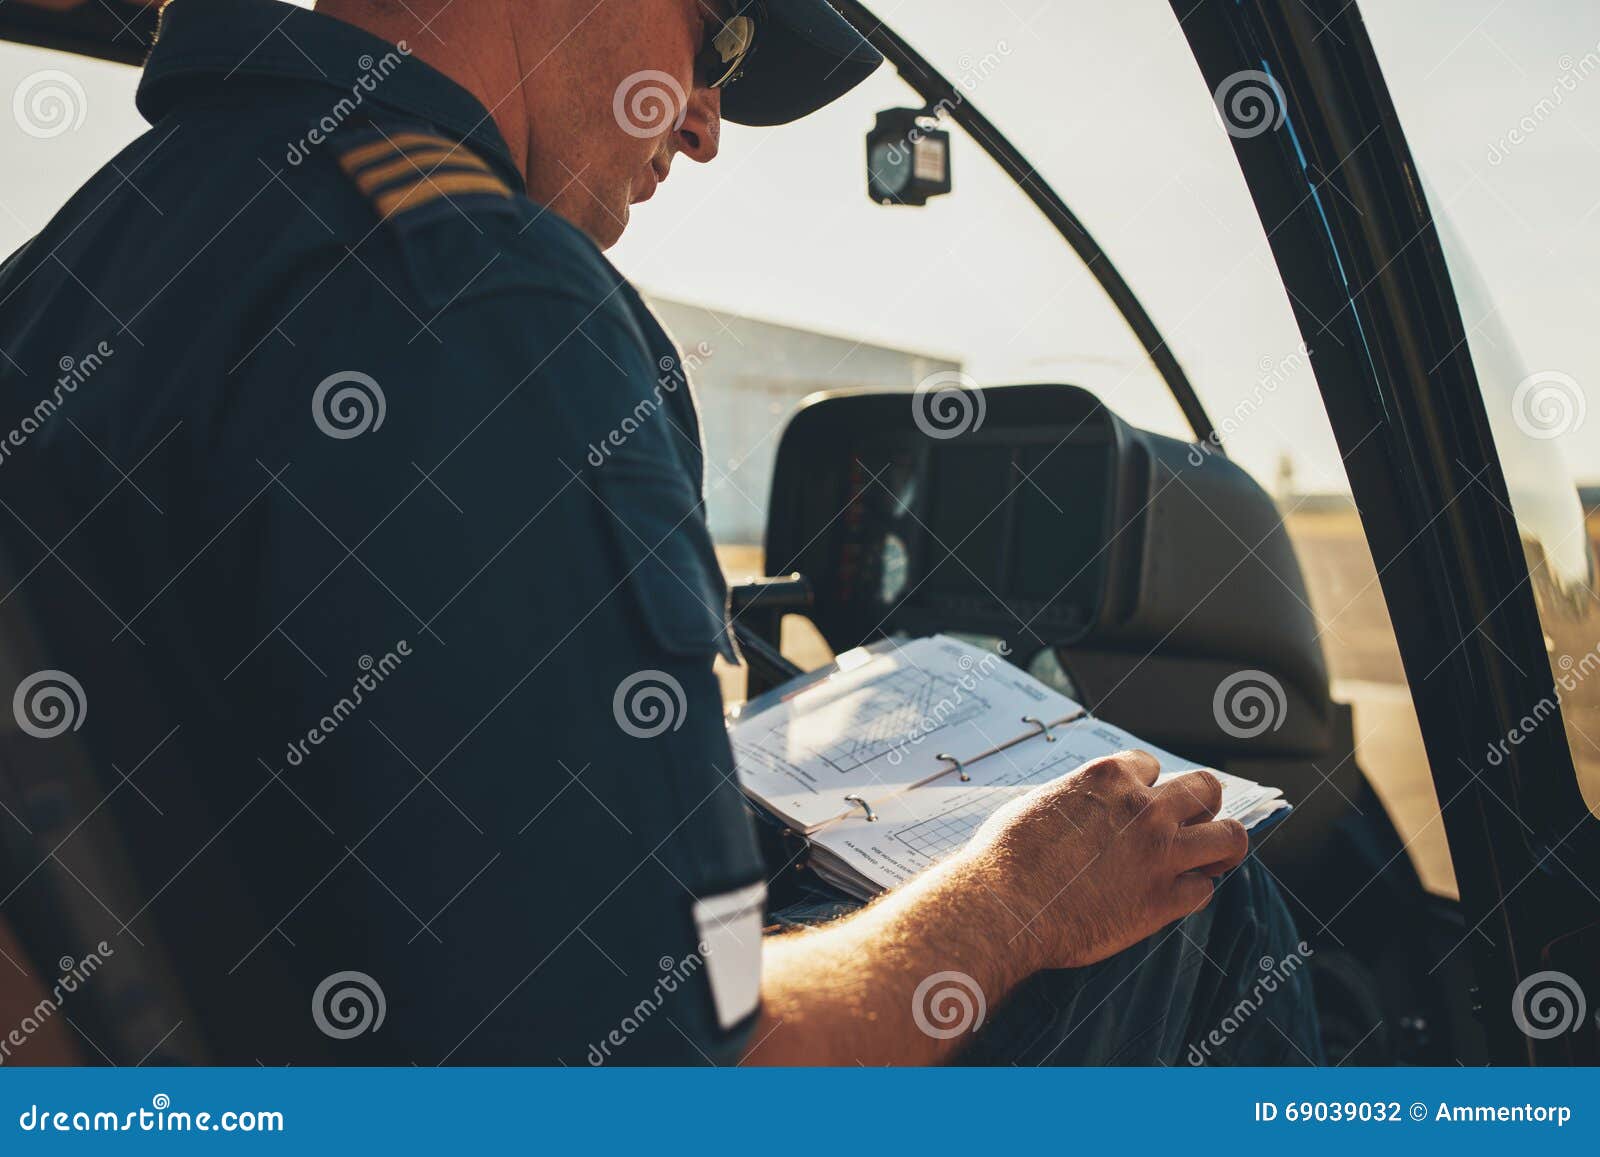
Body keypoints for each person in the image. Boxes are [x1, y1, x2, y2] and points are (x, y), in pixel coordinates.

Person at [0, 0, 1319, 1065]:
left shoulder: (80, 266)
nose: (702, 127)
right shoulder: (478, 298)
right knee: (1184, 895)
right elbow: (651, 1075)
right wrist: (1016, 890)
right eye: (719, 38)